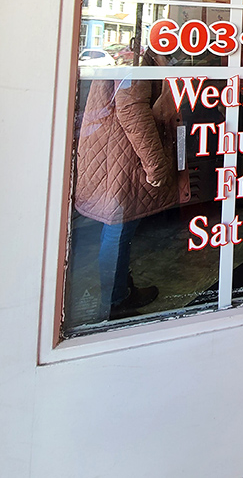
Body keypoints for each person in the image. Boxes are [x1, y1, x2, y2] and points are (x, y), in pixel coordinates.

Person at [75, 49, 189, 320]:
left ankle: (119, 292)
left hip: (117, 154)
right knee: (119, 227)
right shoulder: (138, 62)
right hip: (122, 157)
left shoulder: (139, 58)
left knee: (118, 227)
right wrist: (156, 166)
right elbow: (132, 113)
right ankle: (115, 301)